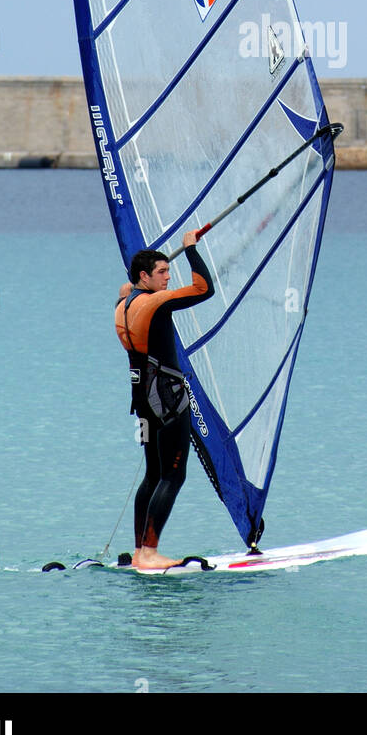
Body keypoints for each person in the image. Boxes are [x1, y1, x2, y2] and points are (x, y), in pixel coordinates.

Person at [115, 232, 214, 570]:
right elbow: (204, 289)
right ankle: (149, 553)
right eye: (161, 271)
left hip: (142, 401)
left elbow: (125, 290)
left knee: (153, 474)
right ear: (144, 276)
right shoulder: (155, 303)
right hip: (169, 398)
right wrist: (190, 250)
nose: (168, 277)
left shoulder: (122, 305)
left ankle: (140, 550)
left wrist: (132, 285)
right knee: (173, 476)